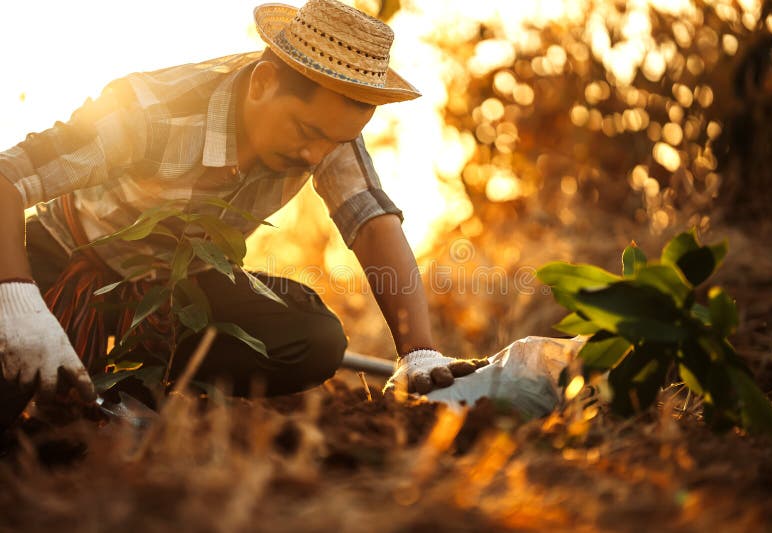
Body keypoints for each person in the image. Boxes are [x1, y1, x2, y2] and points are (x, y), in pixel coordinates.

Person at [0, 0, 482, 408]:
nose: (313, 156)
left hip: (177, 286)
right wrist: (18, 304)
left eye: (332, 142)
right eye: (306, 132)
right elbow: (7, 177)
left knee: (314, 338)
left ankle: (148, 401)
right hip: (68, 262)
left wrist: (418, 353)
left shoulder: (329, 134)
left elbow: (374, 225)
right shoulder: (149, 113)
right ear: (263, 82)